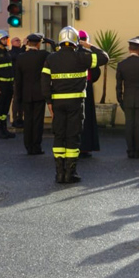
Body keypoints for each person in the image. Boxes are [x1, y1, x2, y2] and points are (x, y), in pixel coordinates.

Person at [41, 26, 107, 183]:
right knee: (72, 137)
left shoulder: (51, 58)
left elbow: (44, 82)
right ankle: (70, 173)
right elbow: (104, 57)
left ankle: (59, 173)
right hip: (76, 103)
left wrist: (49, 102)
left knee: (59, 136)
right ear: (75, 41)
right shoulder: (82, 57)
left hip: (57, 103)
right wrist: (88, 45)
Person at [14, 33, 51, 155]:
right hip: (39, 93)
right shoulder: (44, 55)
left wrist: (17, 97)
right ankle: (36, 146)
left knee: (28, 120)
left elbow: (18, 80)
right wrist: (50, 42)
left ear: (28, 43)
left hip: (25, 94)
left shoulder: (21, 57)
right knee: (37, 121)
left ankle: (28, 145)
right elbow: (56, 54)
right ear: (39, 44)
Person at [77, 29, 100, 158]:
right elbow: (97, 71)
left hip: (73, 88)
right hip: (87, 87)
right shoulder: (89, 54)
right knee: (87, 117)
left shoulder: (72, 54)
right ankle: (86, 147)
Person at [9, 36, 25, 128]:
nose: (19, 42)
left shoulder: (21, 51)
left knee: (22, 99)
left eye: (19, 40)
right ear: (12, 43)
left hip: (22, 79)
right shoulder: (11, 53)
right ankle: (15, 119)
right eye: (17, 40)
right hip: (15, 79)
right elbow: (18, 56)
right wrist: (24, 46)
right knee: (16, 99)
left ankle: (20, 118)